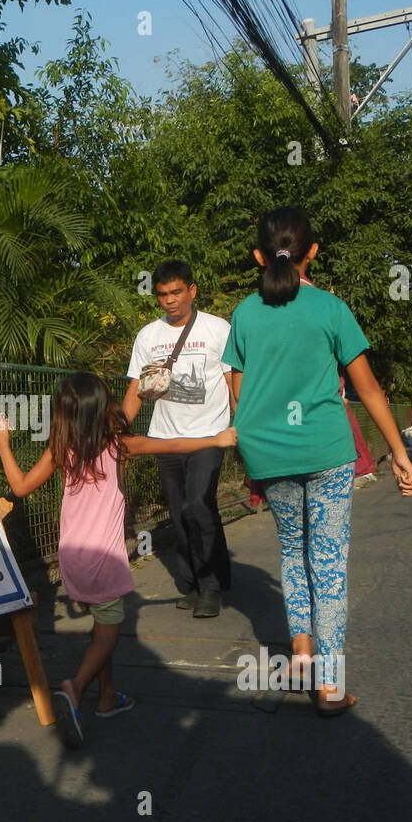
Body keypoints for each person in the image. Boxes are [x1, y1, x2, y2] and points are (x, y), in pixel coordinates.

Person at [224, 206, 412, 716]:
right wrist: (399, 454)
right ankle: (329, 688)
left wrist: (252, 446)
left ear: (257, 255)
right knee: (327, 562)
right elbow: (368, 388)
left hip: (269, 454)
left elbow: (237, 395)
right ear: (313, 251)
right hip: (327, 451)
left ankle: (303, 656)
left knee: (293, 553)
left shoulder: (244, 314)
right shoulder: (332, 308)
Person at [0, 373, 237, 746]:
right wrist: (216, 439)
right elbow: (173, 445)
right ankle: (75, 687)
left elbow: (20, 487)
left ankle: (107, 697)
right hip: (104, 560)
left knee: (102, 624)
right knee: (108, 631)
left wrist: (3, 444)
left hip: (71, 557)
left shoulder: (61, 449)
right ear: (104, 409)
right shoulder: (120, 447)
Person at [122, 260, 234, 618]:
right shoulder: (148, 336)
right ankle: (190, 583)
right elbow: (136, 389)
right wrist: (117, 429)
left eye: (176, 292)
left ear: (192, 291)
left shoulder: (218, 329)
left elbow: (235, 382)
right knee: (178, 512)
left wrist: (242, 426)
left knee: (199, 505)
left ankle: (211, 585)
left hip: (209, 436)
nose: (170, 300)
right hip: (164, 438)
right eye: (162, 294)